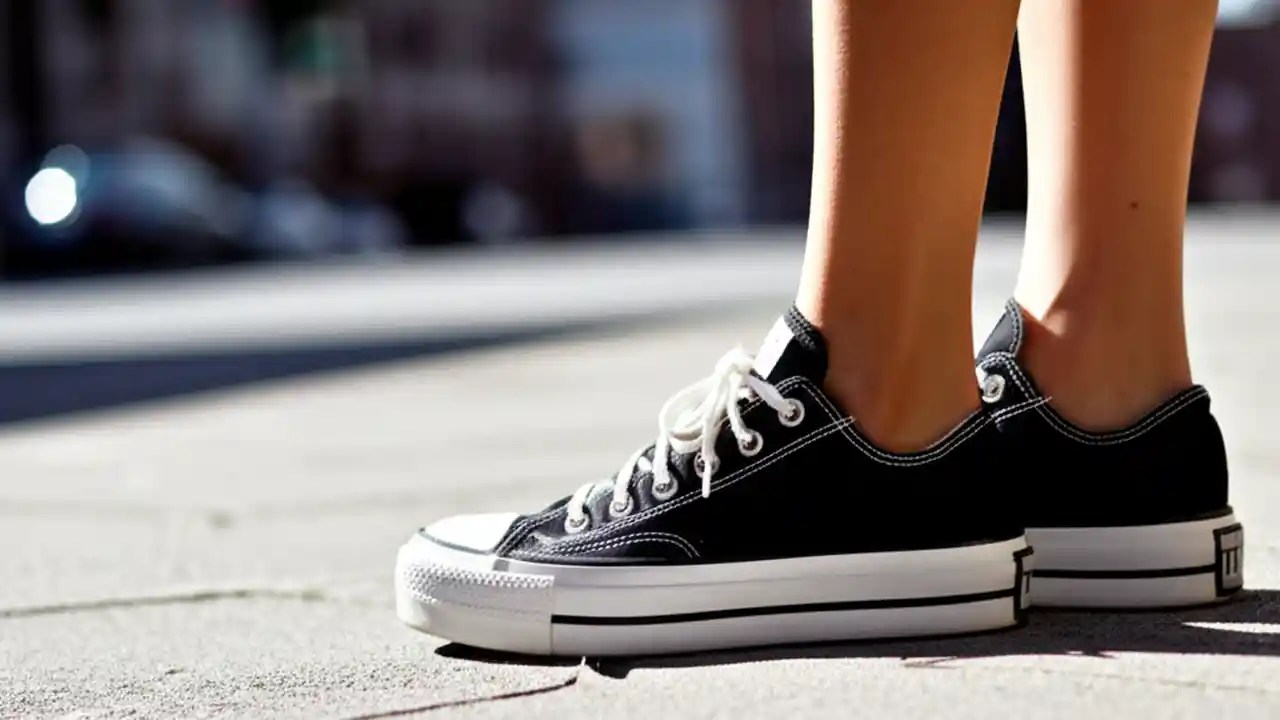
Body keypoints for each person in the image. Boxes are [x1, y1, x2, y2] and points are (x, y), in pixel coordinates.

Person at [393, 0, 1243, 656]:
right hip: (1130, 444)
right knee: (1089, 335)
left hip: (879, 459)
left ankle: (876, 395)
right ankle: (1104, 399)